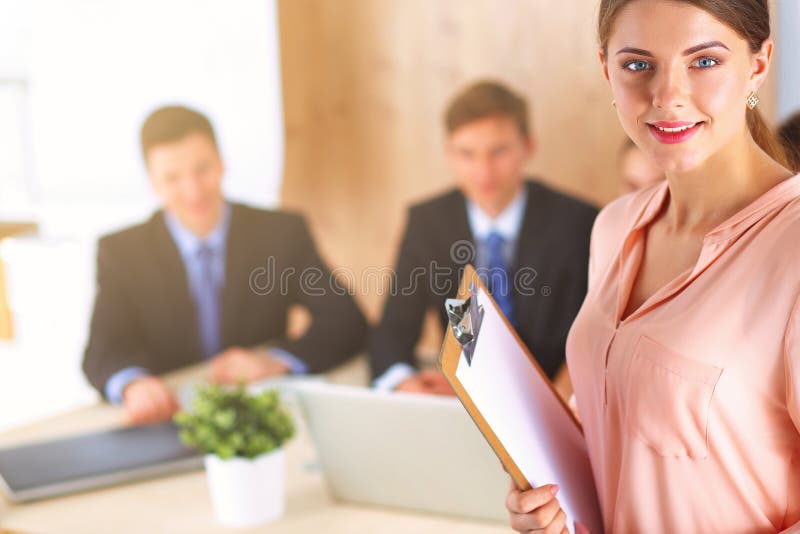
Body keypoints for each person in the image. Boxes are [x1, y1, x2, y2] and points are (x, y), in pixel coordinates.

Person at [505, 0, 800, 532]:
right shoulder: (614, 226)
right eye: (638, 64)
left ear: (758, 64)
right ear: (606, 70)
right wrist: (557, 506)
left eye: (704, 61)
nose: (668, 98)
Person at [83, 105, 367, 424]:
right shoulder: (122, 252)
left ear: (221, 162)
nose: (193, 191)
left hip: (260, 414)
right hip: (171, 419)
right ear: (153, 183)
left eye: (202, 169)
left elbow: (346, 320)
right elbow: (102, 351)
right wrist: (133, 383)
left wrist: (276, 360)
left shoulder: (280, 233)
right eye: (172, 178)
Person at [370, 81, 598, 395]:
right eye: (466, 154)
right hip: (459, 401)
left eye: (499, 151)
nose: (483, 170)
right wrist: (404, 383)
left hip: (553, 398)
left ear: (528, 147)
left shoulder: (579, 222)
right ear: (449, 153)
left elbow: (594, 335)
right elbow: (393, 330)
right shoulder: (427, 222)